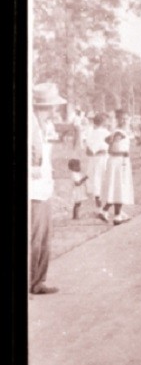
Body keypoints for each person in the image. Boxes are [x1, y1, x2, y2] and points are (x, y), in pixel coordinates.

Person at [30, 83, 67, 294]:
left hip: (43, 187)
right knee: (33, 237)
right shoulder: (30, 124)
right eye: (54, 106)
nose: (56, 110)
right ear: (47, 106)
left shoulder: (45, 126)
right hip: (32, 189)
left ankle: (37, 282)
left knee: (44, 237)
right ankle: (29, 282)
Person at [101, 109, 135, 225]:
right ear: (118, 119)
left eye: (126, 118)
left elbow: (107, 140)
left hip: (120, 160)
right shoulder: (119, 132)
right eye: (122, 118)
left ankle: (109, 211)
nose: (124, 120)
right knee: (119, 186)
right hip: (118, 161)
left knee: (118, 187)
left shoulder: (121, 131)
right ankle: (116, 215)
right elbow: (110, 142)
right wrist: (114, 144)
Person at [85, 112, 111, 216]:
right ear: (103, 122)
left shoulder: (90, 132)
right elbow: (111, 144)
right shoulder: (105, 132)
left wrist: (93, 151)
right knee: (103, 180)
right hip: (102, 158)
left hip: (94, 159)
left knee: (96, 181)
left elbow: (87, 150)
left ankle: (100, 208)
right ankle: (103, 209)